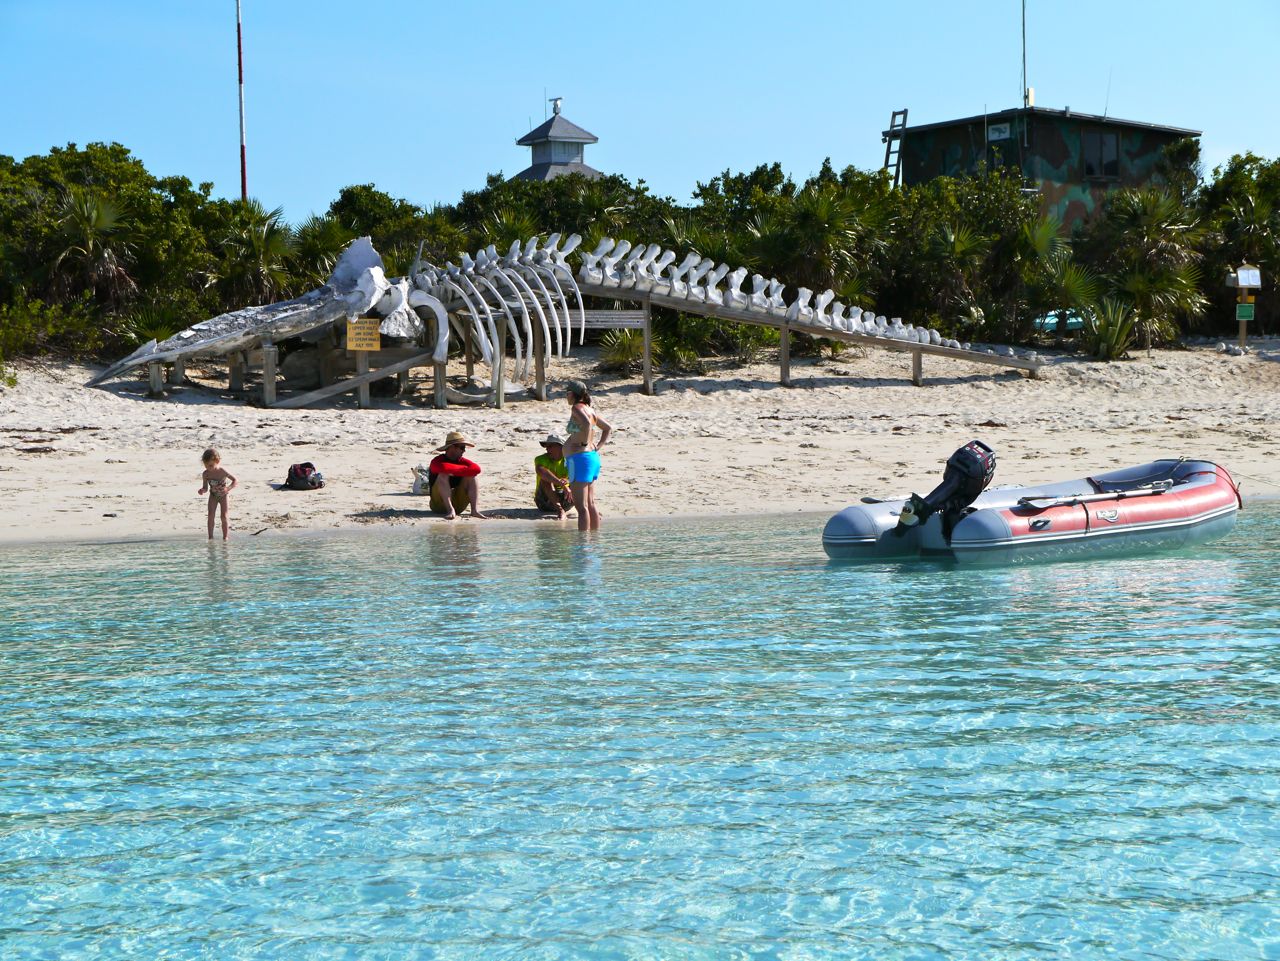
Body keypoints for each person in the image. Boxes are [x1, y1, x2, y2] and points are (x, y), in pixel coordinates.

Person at [563, 380, 612, 530]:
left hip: (580, 460)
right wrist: (598, 446)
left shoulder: (576, 408)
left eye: (566, 393)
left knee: (581, 507)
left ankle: (582, 545)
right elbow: (607, 428)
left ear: (571, 394)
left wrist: (584, 443)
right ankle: (594, 541)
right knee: (590, 504)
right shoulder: (590, 409)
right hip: (591, 458)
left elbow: (586, 424)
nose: (566, 396)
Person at [428, 431, 488, 520]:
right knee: (443, 475)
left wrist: (455, 471)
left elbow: (477, 469)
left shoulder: (462, 461)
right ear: (452, 447)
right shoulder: (437, 461)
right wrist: (464, 470)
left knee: (472, 476)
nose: (464, 450)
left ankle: (474, 510)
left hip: (459, 506)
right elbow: (443, 468)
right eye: (462, 447)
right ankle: (450, 509)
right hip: (438, 505)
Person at [198, 447, 238, 540]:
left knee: (224, 516)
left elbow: (235, 480)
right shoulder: (206, 474)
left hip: (224, 496)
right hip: (213, 496)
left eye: (211, 465)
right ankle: (210, 537)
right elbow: (205, 487)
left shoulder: (222, 471)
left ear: (217, 461)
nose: (208, 468)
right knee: (211, 515)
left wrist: (228, 488)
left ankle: (225, 537)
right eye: (206, 466)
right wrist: (202, 490)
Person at [533, 434, 574, 519]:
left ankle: (588, 508)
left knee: (580, 481)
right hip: (544, 502)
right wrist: (561, 483)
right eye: (546, 446)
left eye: (550, 446)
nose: (547, 449)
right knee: (545, 479)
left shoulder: (570, 460)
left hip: (566, 500)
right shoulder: (541, 459)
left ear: (561, 447)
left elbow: (577, 476)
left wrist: (568, 481)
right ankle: (560, 510)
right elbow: (541, 471)